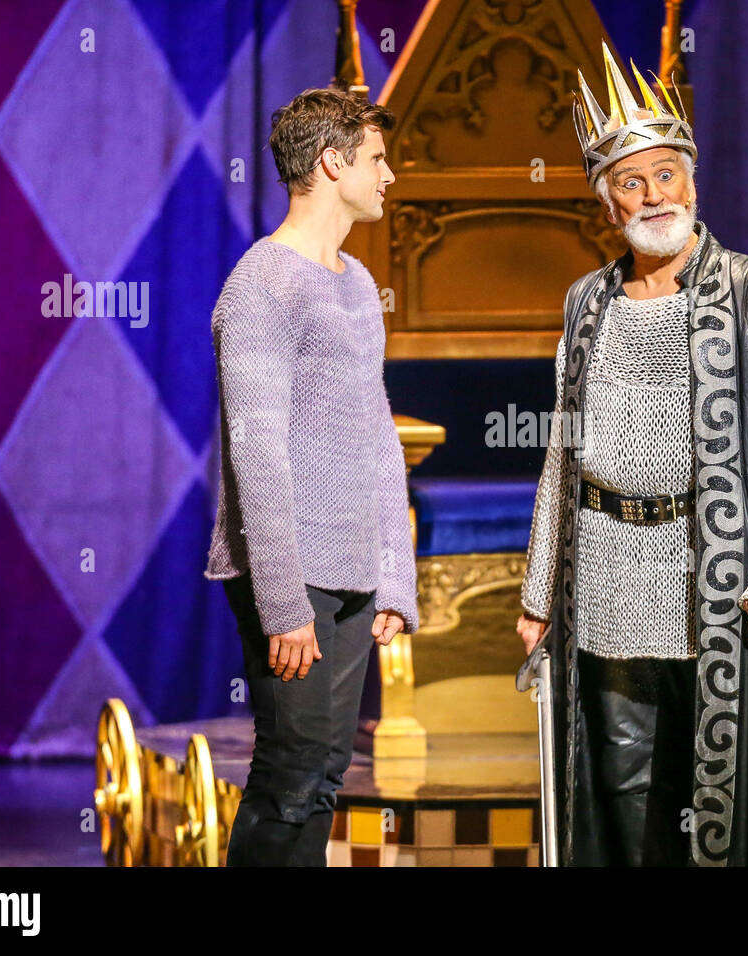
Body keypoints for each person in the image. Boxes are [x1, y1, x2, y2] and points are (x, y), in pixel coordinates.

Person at [516, 44, 748, 866]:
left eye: (666, 175)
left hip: (710, 576)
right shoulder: (588, 302)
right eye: (631, 181)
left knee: (713, 785)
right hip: (608, 573)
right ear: (606, 202)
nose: (653, 195)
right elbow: (561, 454)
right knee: (617, 786)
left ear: (692, 179)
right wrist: (541, 590)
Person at [204, 86, 417, 866]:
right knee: (290, 776)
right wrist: (284, 604)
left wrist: (395, 576)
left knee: (324, 774)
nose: (390, 175)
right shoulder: (262, 285)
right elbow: (257, 453)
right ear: (332, 163)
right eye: (377, 159)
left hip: (355, 569)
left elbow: (378, 437)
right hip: (293, 579)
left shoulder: (358, 285)